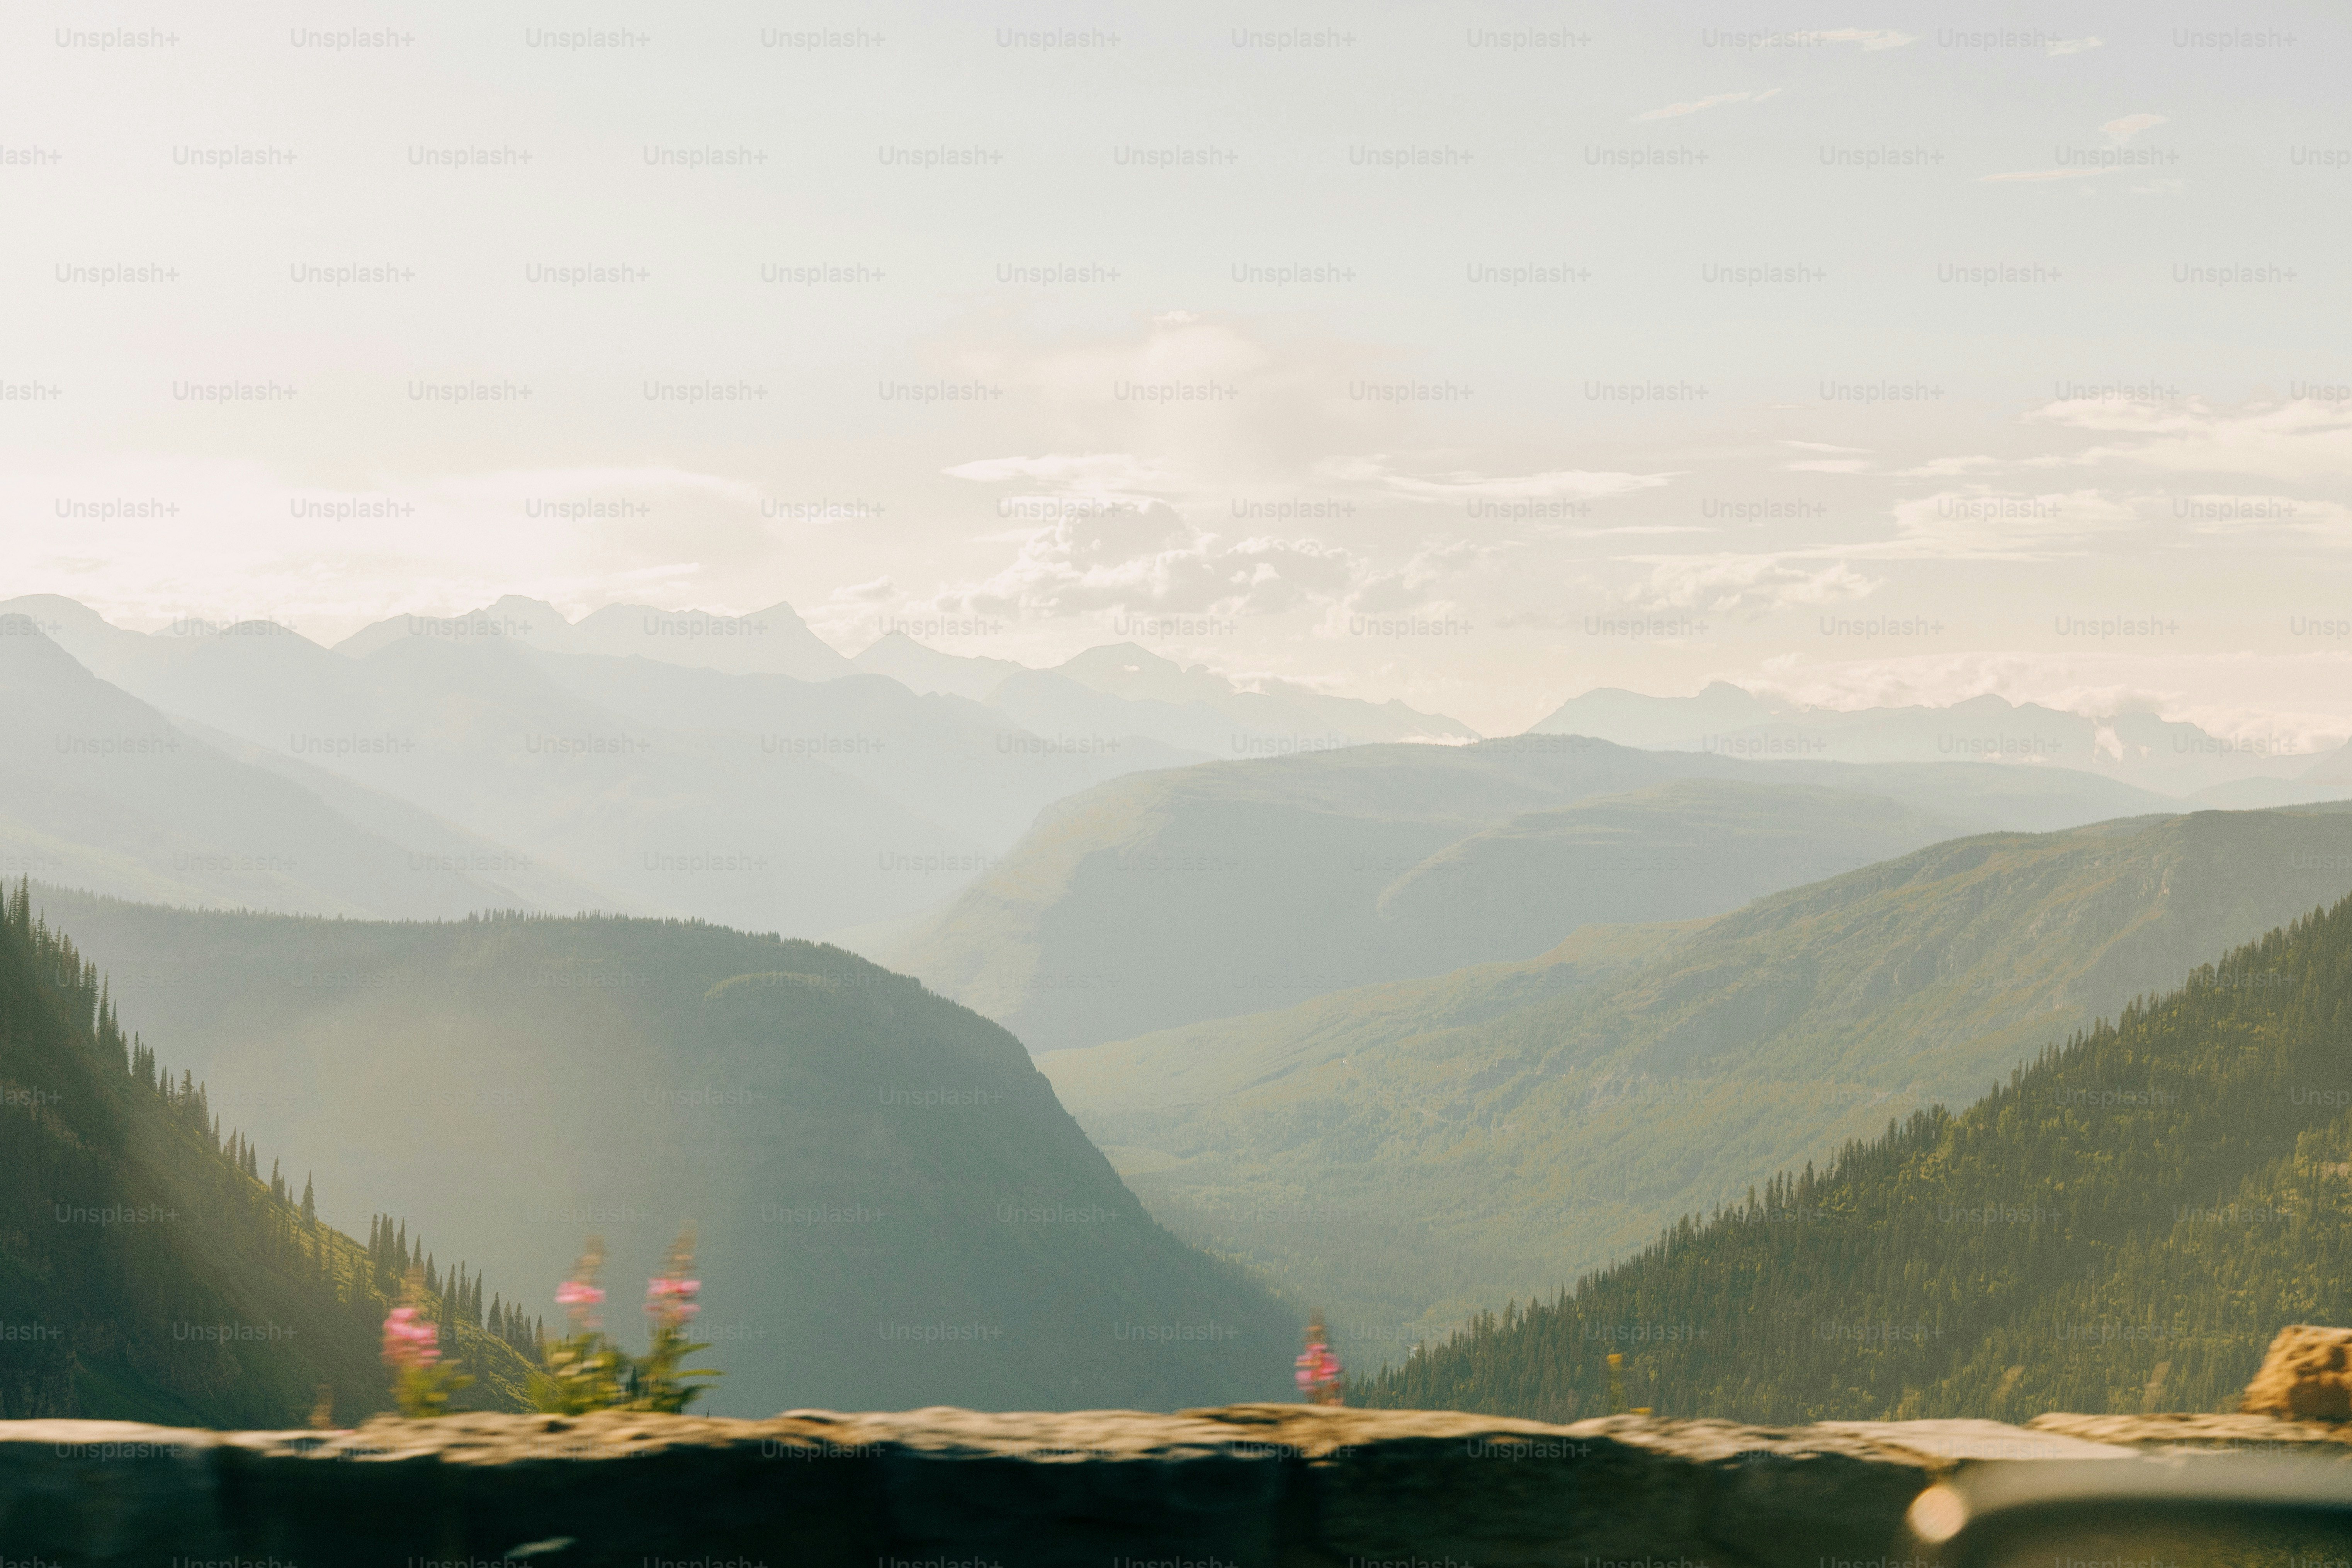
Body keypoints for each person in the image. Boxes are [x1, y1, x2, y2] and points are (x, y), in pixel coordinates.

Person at [1295, 1314, 1344, 1406]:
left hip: (1321, 1374)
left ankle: (1326, 1402)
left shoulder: (1318, 1348)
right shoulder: (1318, 1348)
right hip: (1320, 1374)